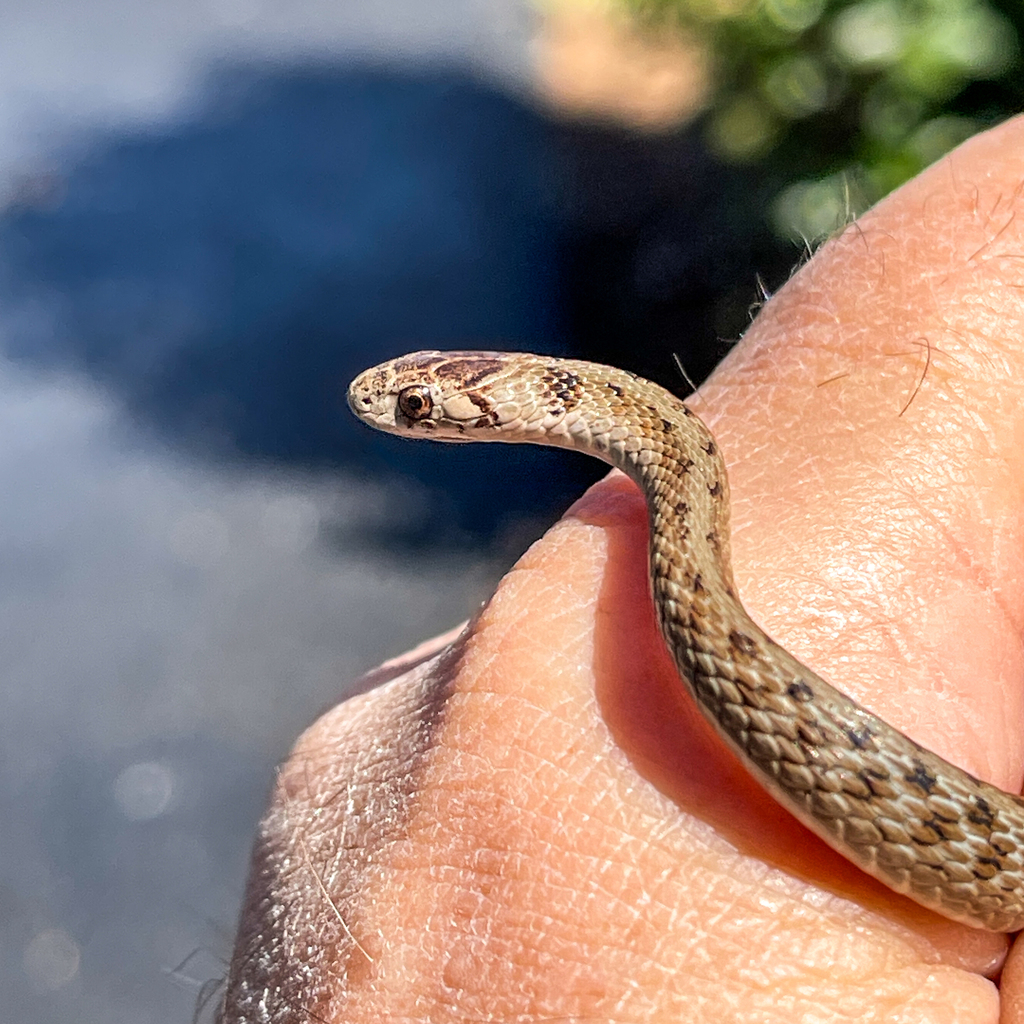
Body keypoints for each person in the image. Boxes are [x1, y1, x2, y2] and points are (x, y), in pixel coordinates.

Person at [218, 115, 1024, 1023]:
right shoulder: (649, 443)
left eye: (418, 407)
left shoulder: (670, 473)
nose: (394, 408)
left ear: (512, 400)